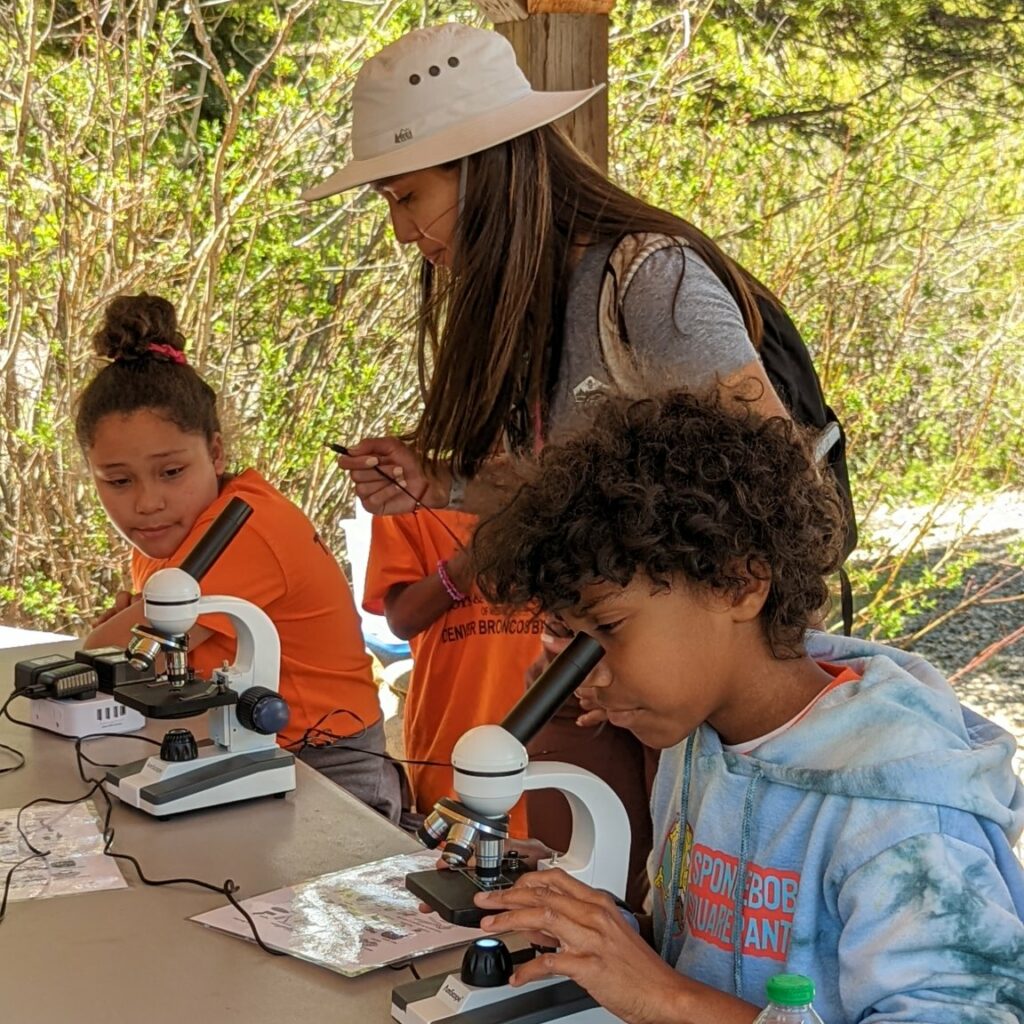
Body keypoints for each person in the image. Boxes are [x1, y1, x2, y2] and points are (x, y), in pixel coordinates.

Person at [303, 21, 800, 903]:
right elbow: (569, 493)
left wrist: (658, 650)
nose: (402, 231)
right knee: (586, 904)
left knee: (678, 923)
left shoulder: (648, 280)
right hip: (582, 666)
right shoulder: (531, 304)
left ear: (488, 168)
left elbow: (775, 483)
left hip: (692, 688)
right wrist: (442, 483)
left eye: (408, 196)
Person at [459, 388, 1024, 1024]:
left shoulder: (901, 813)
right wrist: (594, 928)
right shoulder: (700, 743)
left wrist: (663, 996)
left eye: (609, 629)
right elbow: (704, 957)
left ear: (738, 584)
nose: (586, 681)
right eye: (571, 641)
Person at [77, 294, 404, 823]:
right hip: (240, 747)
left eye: (171, 472)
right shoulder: (178, 531)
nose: (147, 502)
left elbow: (107, 661)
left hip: (327, 768)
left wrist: (118, 636)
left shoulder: (242, 530)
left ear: (216, 452)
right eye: (118, 481)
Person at [363, 508, 542, 836]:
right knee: (459, 857)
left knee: (554, 855)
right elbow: (401, 619)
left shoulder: (556, 489)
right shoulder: (406, 497)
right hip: (453, 737)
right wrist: (472, 557)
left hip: (548, 731)